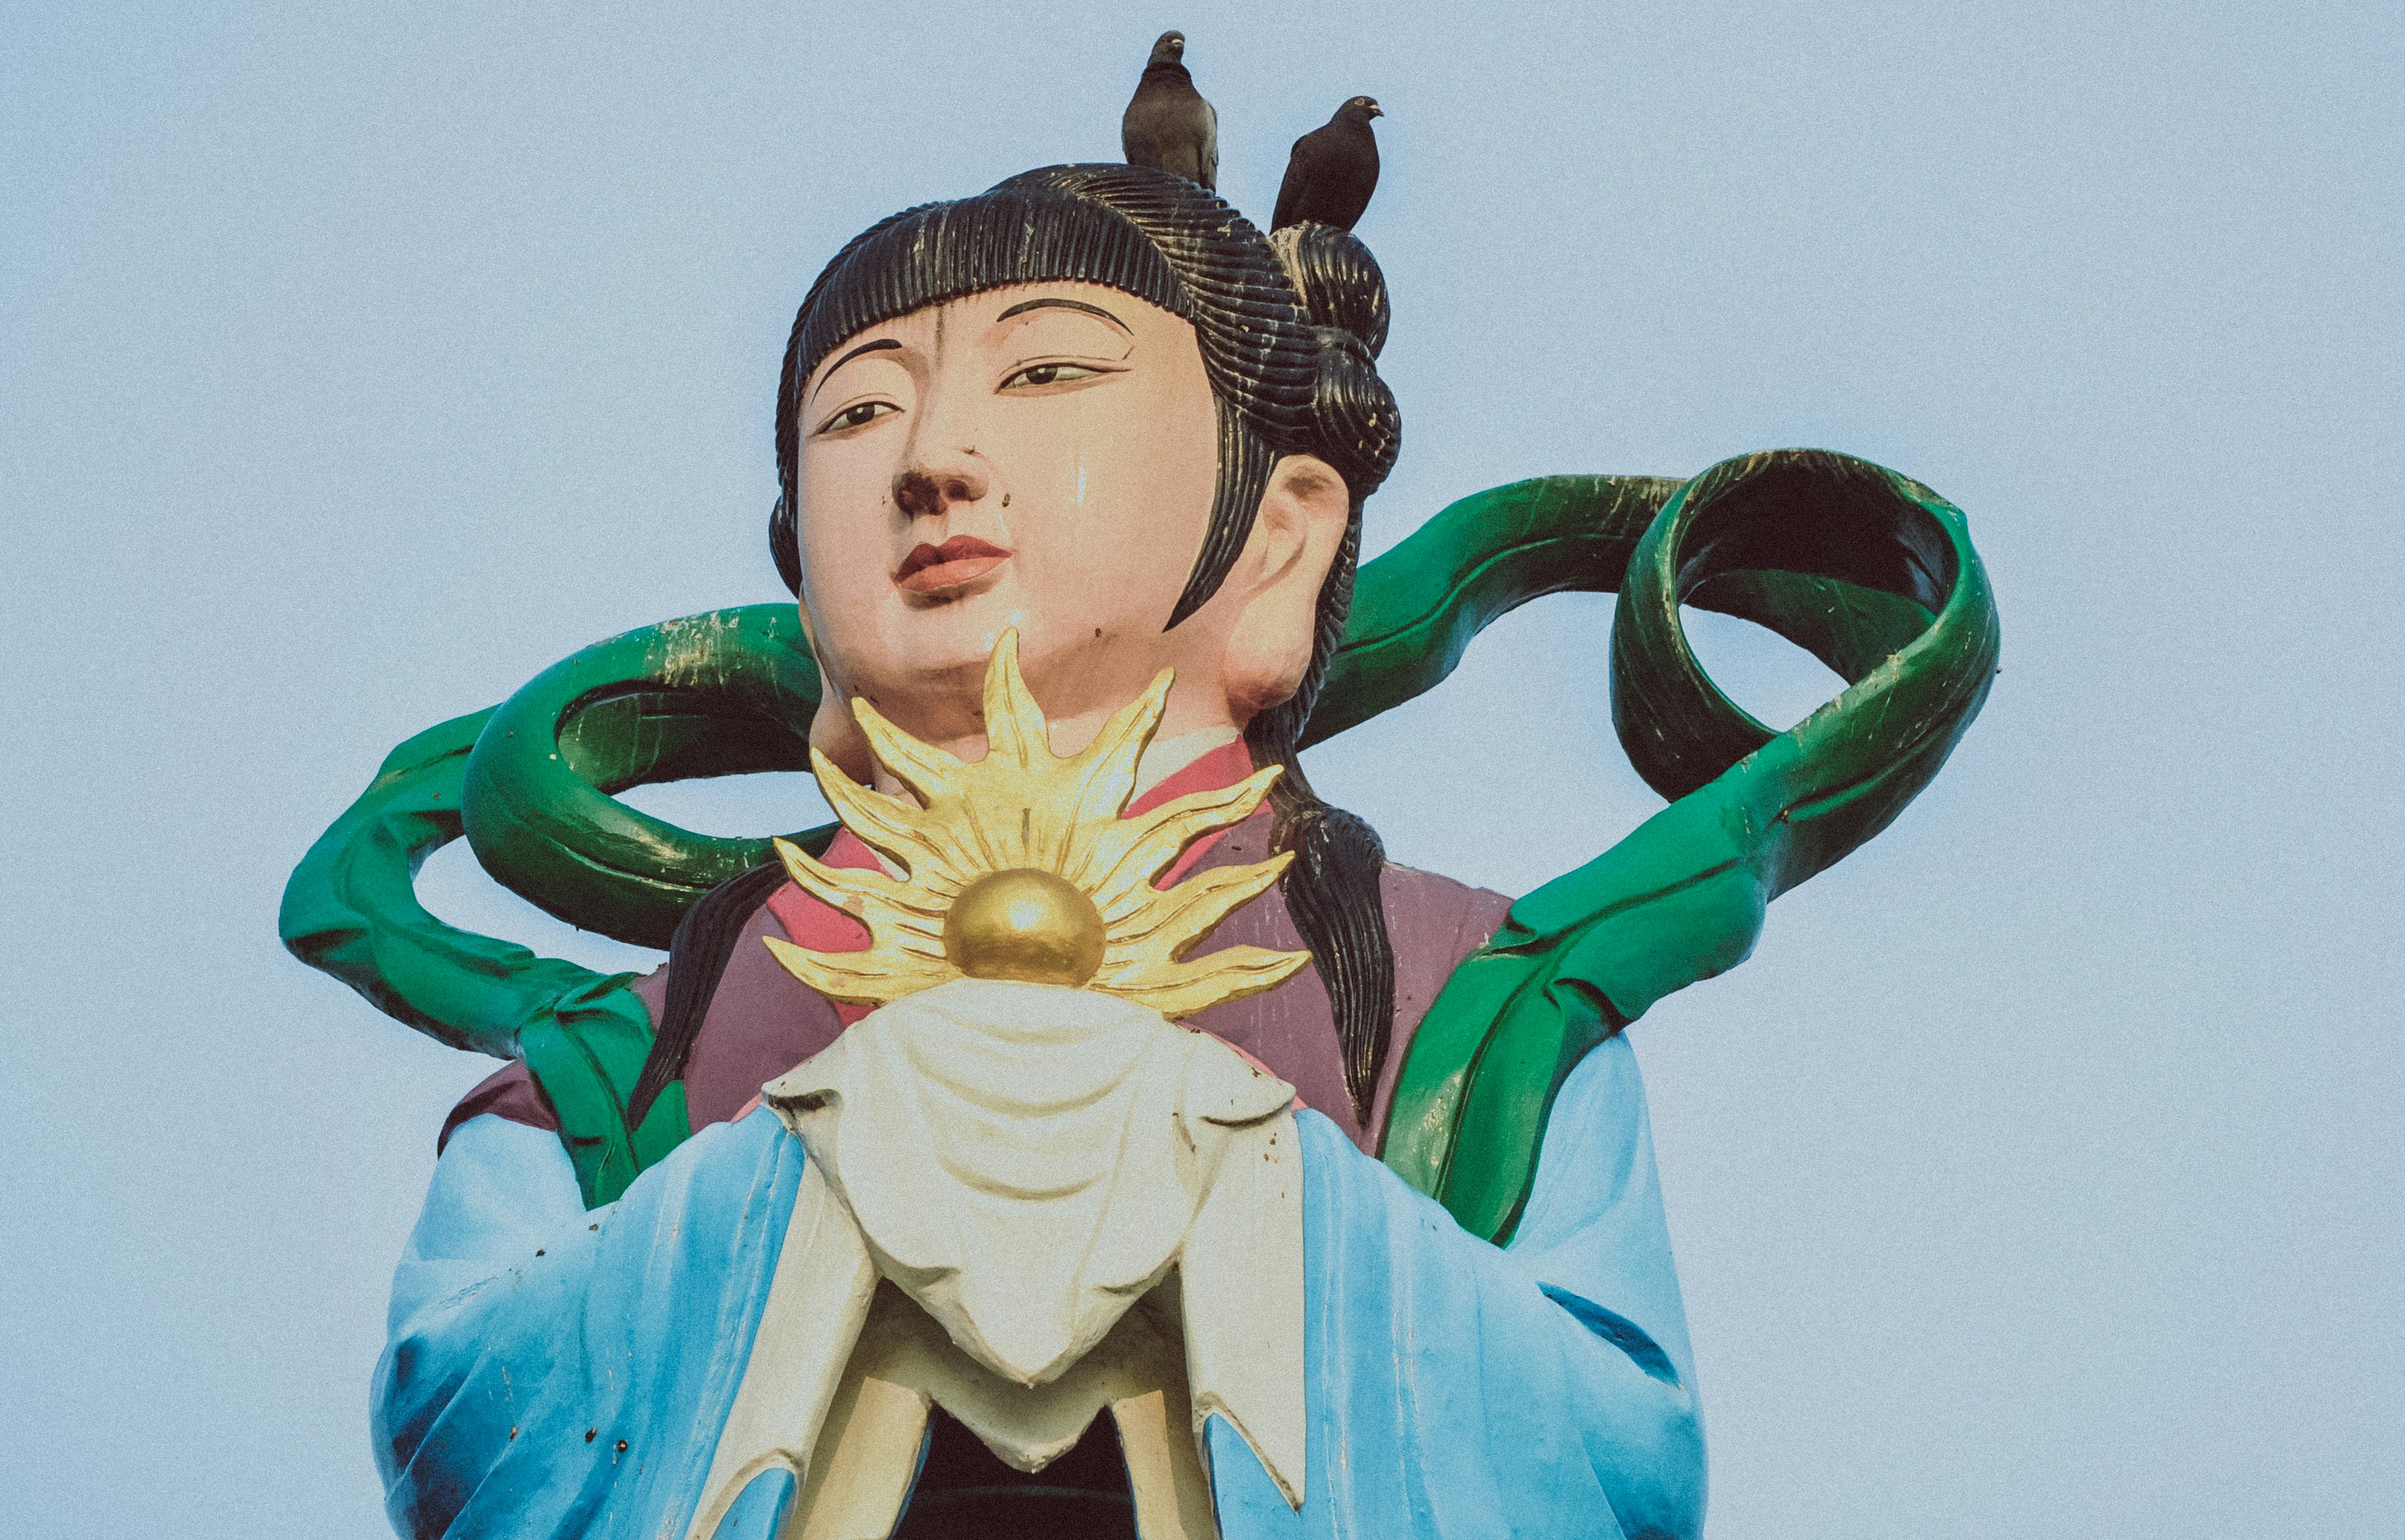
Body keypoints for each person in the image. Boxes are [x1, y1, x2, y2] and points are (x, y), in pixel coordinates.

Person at [377, 165, 1706, 1539]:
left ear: (1281, 529)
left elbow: (1621, 1452)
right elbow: (453, 1407)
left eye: (1049, 372)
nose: (931, 462)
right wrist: (823, 1152)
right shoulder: (631, 1061)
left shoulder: (1470, 1004)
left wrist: (1232, 1165)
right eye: (858, 411)